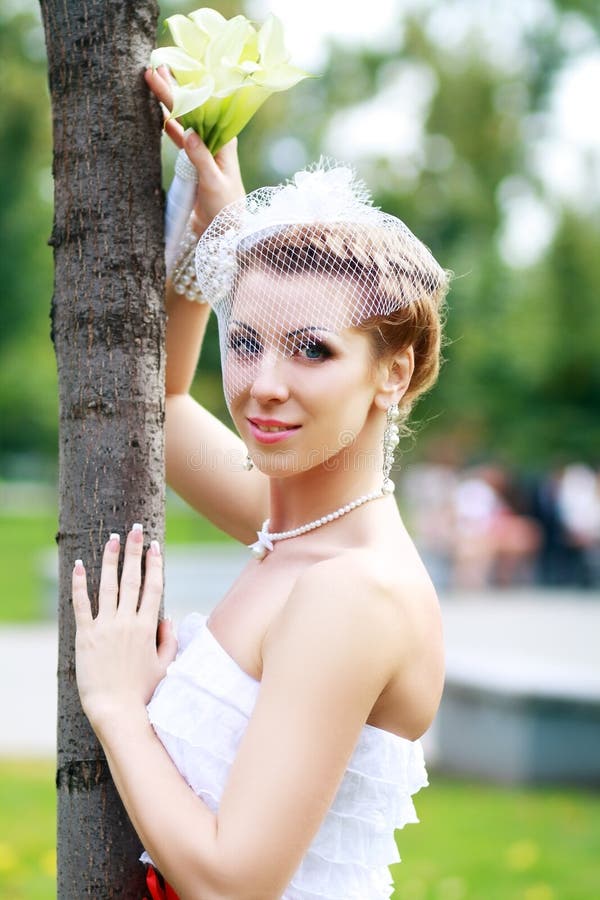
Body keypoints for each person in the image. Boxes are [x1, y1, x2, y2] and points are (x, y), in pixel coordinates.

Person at [70, 65, 449, 900]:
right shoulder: (297, 531)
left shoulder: (352, 593)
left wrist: (116, 704)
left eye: (311, 349)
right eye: (246, 344)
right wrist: (215, 227)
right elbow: (162, 404)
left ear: (394, 372)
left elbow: (233, 883)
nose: (260, 386)